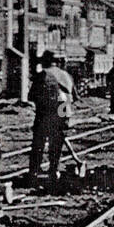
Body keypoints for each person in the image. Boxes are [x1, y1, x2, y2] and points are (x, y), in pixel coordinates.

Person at [27, 51, 76, 184]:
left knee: (39, 142)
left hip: (46, 111)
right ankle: (53, 171)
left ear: (44, 61)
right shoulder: (66, 75)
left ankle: (34, 172)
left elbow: (31, 96)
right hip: (63, 110)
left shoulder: (42, 75)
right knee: (57, 142)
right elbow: (75, 97)